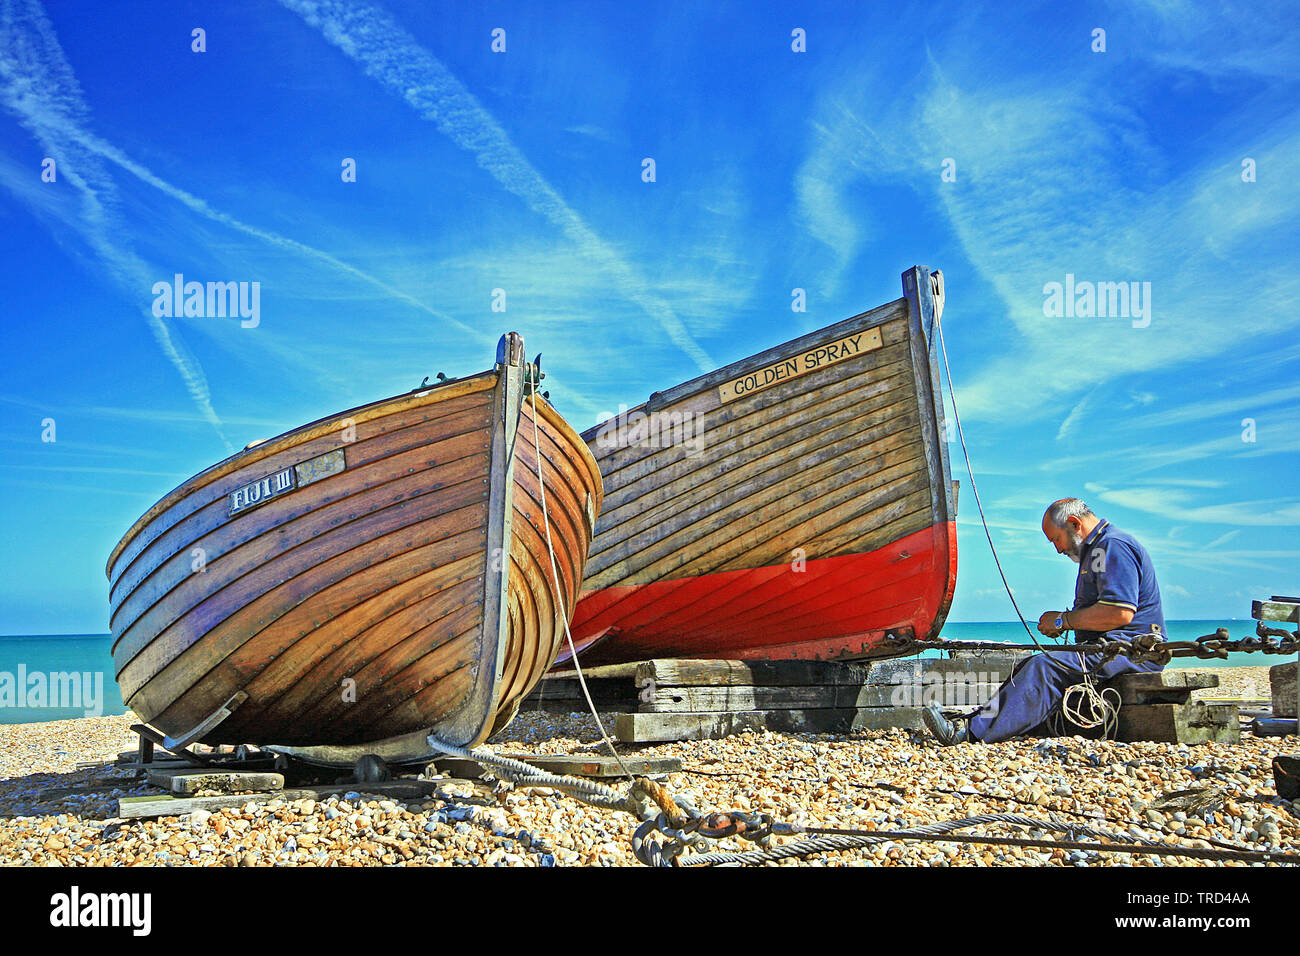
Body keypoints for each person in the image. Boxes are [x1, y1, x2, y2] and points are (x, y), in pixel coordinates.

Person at [922, 498, 1165, 745]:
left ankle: (968, 733)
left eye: (1056, 539)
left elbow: (1119, 613)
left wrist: (1062, 621)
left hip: (1130, 651)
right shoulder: (1099, 549)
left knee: (1043, 668)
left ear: (1074, 524)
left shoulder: (1111, 547)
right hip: (1108, 648)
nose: (1058, 549)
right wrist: (1068, 623)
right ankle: (979, 722)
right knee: (1030, 665)